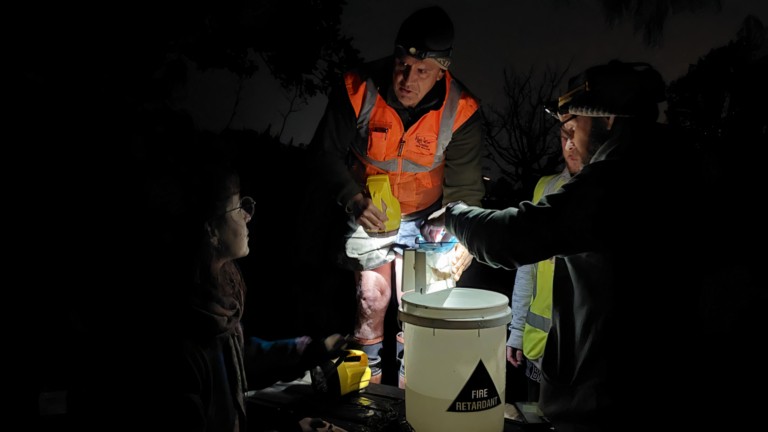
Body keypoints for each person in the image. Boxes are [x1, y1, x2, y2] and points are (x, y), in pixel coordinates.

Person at [421, 60, 715, 431]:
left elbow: (512, 237)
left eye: (574, 128)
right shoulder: (682, 170)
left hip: (606, 402)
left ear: (607, 120)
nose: (570, 141)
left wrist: (454, 214)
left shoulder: (615, 185)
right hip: (656, 389)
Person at [69, 131, 349, 432]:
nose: (247, 214)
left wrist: (311, 347)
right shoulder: (180, 337)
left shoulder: (216, 299)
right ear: (209, 229)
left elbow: (238, 356)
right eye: (237, 206)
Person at [308, 5, 485, 384]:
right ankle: (365, 388)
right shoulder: (358, 88)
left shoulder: (463, 110)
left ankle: (413, 390)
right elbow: (323, 153)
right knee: (372, 299)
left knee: (419, 307)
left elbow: (467, 187)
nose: (408, 78)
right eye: (402, 64)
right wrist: (351, 198)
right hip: (370, 211)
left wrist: (463, 240)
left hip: (429, 219)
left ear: (443, 70)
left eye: (422, 72)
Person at [506, 110, 588, 403]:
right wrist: (517, 331)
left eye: (576, 134)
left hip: (587, 357)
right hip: (539, 349)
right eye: (564, 134)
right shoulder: (545, 187)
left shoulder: (611, 194)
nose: (569, 145)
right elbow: (527, 267)